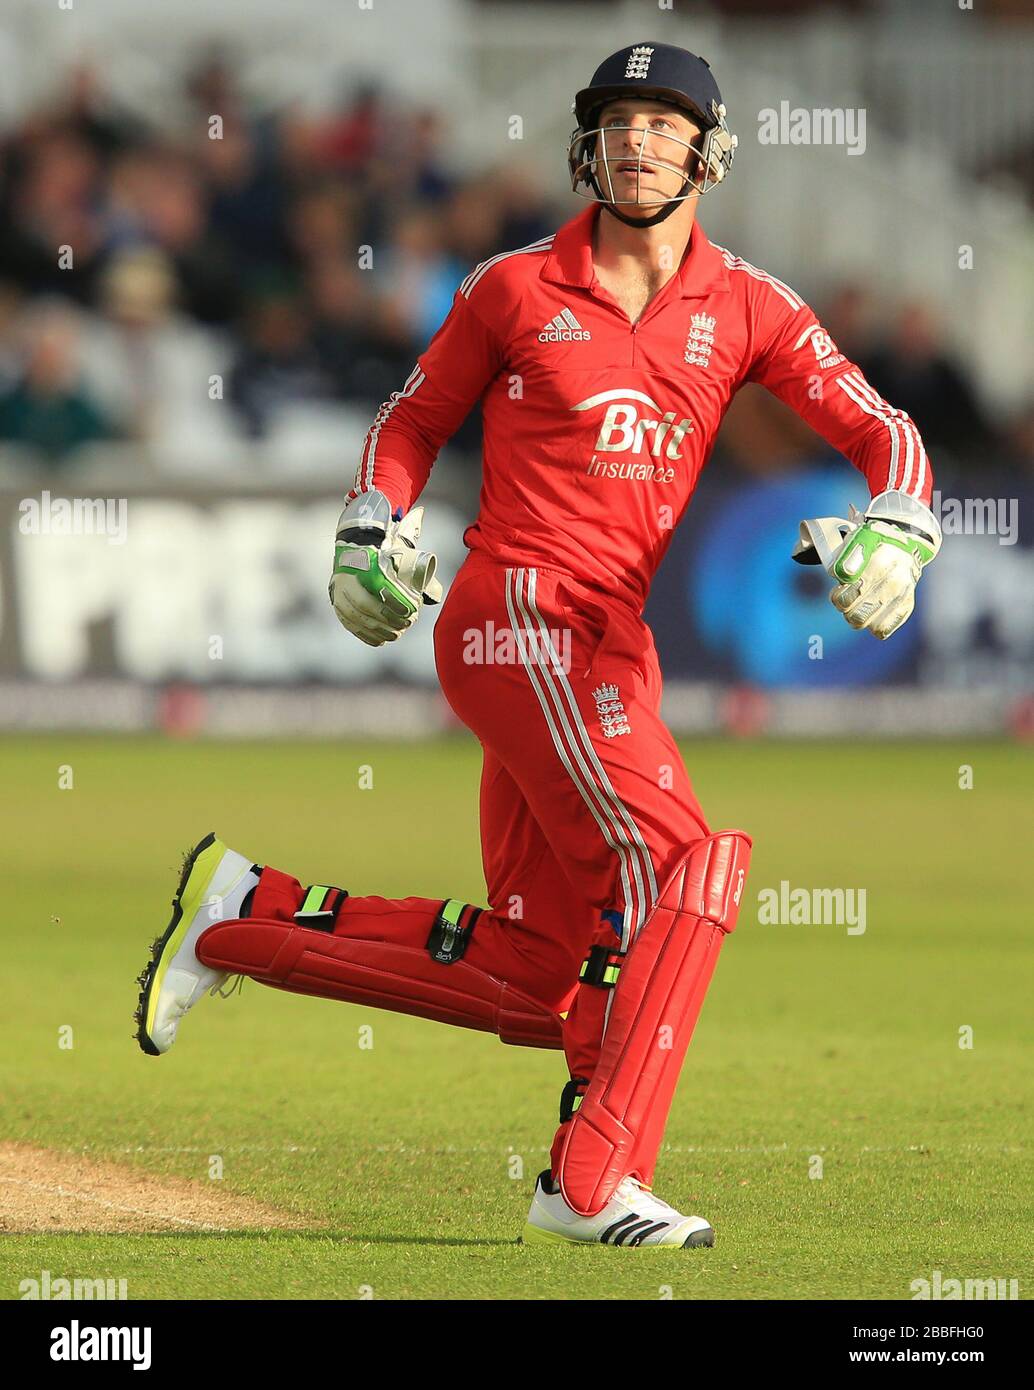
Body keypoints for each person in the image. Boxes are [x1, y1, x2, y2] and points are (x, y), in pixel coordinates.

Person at [135, 43, 941, 1248]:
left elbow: (885, 432)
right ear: (588, 145)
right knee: (682, 872)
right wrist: (370, 527)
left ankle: (241, 913)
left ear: (706, 153)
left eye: (664, 125)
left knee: (535, 972)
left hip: (609, 642)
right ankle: (589, 1180)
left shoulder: (748, 305)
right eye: (617, 121)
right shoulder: (513, 285)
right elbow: (410, 419)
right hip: (518, 612)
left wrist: (901, 526)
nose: (635, 141)